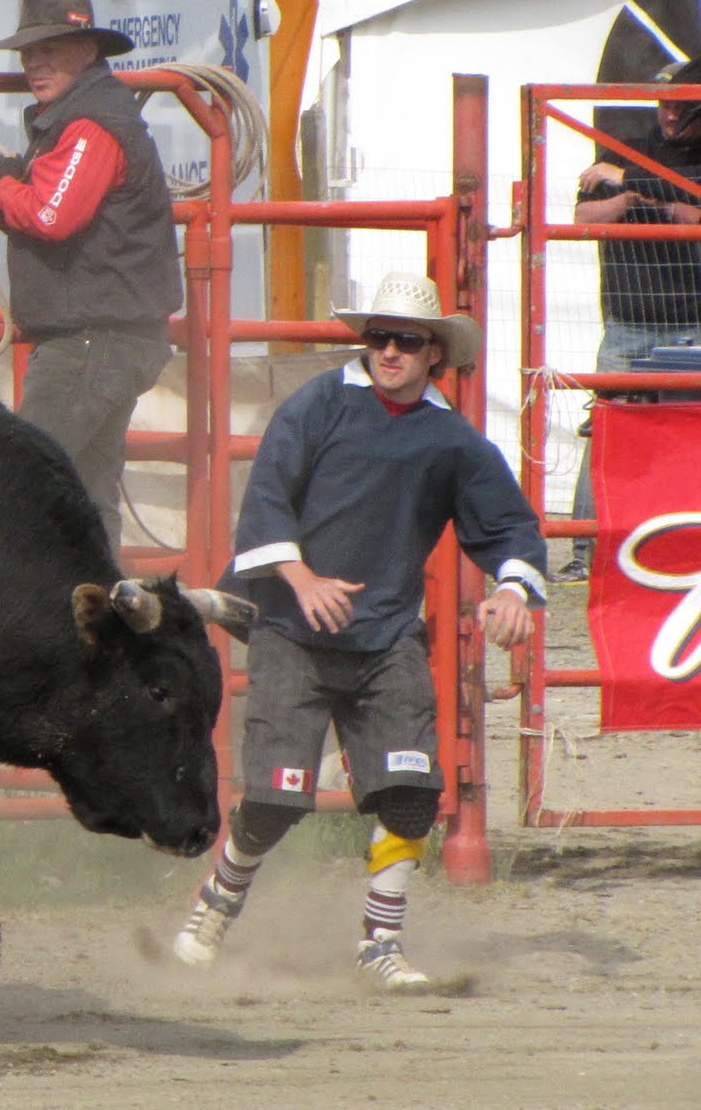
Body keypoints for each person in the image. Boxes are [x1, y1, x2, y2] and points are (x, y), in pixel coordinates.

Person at [171, 272, 547, 990]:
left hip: (386, 637)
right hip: (290, 627)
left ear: (435, 352)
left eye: (407, 340)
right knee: (276, 800)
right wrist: (303, 578)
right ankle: (219, 898)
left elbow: (509, 527)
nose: (390, 351)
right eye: (379, 337)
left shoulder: (450, 440)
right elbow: (267, 497)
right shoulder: (317, 405)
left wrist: (509, 588)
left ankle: (380, 943)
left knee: (409, 795)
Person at [0, 0, 181, 552]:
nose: (34, 62)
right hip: (110, 336)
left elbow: (50, 214)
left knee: (21, 484)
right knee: (88, 495)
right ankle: (103, 625)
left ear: (87, 50)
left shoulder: (88, 125)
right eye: (27, 52)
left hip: (91, 342)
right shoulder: (87, 117)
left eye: (51, 48)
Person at [556, 57, 701, 584]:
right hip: (628, 320)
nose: (668, 116)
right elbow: (585, 217)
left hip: (691, 322)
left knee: (688, 439)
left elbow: (696, 212)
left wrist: (629, 189)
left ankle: (681, 553)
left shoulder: (624, 160)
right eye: (664, 105)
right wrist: (648, 191)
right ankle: (584, 555)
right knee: (607, 435)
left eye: (680, 107)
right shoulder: (627, 149)